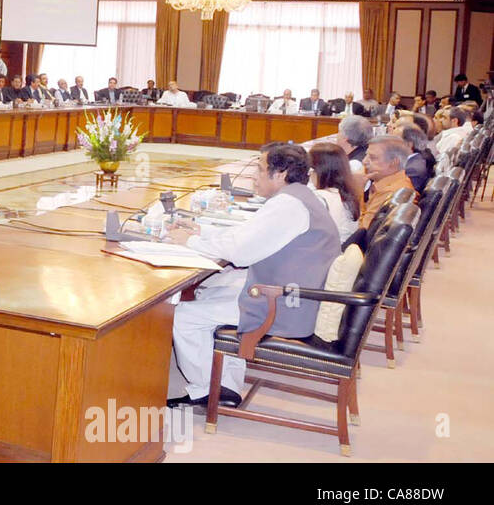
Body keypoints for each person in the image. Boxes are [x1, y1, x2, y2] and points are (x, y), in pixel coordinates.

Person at [165, 142, 340, 408]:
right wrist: (200, 232)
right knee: (212, 289)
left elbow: (241, 252)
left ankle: (208, 391)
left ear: (280, 174)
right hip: (291, 294)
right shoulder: (298, 197)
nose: (254, 176)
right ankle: (226, 384)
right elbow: (247, 236)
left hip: (284, 306)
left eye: (260, 169)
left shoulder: (289, 205)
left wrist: (187, 242)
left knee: (183, 316)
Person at [359, 135, 416, 230]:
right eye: (366, 155)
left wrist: (356, 189)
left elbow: (361, 231)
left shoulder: (390, 192)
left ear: (394, 162)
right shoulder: (397, 181)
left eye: (372, 158)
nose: (364, 161)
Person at [309, 143, 361, 244]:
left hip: (326, 255)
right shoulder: (347, 194)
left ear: (320, 171)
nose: (310, 174)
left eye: (311, 169)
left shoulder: (321, 197)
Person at [395, 125, 435, 192]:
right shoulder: (418, 158)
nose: (389, 144)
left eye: (395, 140)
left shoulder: (412, 170)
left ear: (408, 144)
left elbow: (403, 196)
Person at [434, 107, 472, 172]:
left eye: (444, 117)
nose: (441, 120)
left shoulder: (453, 138)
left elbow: (441, 165)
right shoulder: (455, 134)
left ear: (454, 121)